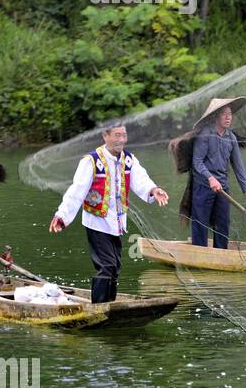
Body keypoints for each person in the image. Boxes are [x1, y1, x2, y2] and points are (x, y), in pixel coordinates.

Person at [50, 123, 169, 302]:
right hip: (97, 221)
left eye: (124, 135)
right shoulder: (91, 161)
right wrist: (62, 216)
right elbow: (77, 191)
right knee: (107, 266)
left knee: (115, 267)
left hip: (117, 223)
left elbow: (141, 179)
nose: (121, 140)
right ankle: (99, 306)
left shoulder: (128, 159)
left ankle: (109, 305)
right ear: (105, 136)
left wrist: (153, 190)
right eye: (117, 135)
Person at [190, 97, 246, 248]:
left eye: (230, 114)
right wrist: (210, 178)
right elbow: (197, 162)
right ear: (215, 116)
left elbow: (238, 166)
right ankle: (199, 254)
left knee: (223, 223)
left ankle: (221, 254)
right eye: (224, 114)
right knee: (200, 222)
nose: (228, 118)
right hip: (203, 186)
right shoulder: (205, 134)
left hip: (222, 187)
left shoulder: (231, 137)